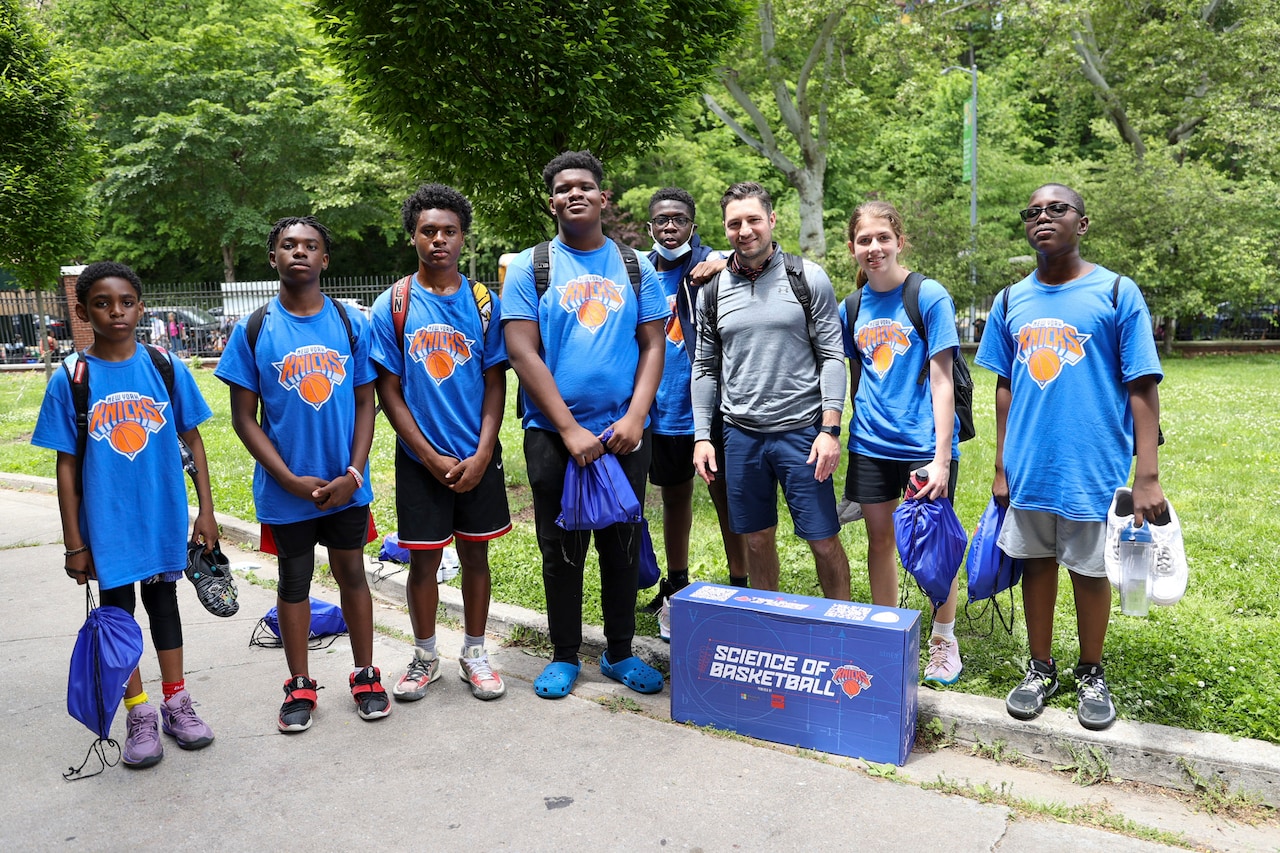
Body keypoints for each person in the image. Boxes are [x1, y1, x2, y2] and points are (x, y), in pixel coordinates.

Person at [975, 183, 1165, 731]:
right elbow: (1005, 387)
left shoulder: (1116, 292)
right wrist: (1001, 465)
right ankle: (1040, 668)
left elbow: (1142, 385)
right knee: (1036, 566)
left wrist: (1146, 476)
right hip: (1032, 465)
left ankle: (1090, 670)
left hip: (1093, 465)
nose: (1043, 218)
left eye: (1057, 209)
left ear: (1082, 223)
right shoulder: (1011, 300)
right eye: (1032, 211)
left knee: (1088, 570)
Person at [33, 261, 219, 768]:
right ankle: (138, 712)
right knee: (118, 619)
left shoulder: (163, 365)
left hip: (160, 518)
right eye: (102, 303)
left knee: (165, 607)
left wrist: (205, 510)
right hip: (108, 525)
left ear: (141, 306)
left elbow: (193, 439)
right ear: (82, 310)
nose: (116, 312)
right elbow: (66, 468)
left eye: (126, 302)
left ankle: (177, 702)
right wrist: (75, 543)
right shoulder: (72, 378)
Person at [503, 150, 667, 699]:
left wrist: (636, 417)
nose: (574, 193)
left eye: (584, 186)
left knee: (622, 543)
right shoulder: (532, 265)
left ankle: (619, 652)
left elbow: (652, 345)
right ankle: (565, 654)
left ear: (603, 198)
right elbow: (523, 351)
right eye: (562, 188)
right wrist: (569, 429)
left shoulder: (636, 266)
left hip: (623, 433)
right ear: (551, 201)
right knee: (561, 546)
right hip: (553, 436)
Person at [214, 216, 385, 733]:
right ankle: (300, 682)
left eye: (311, 246)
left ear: (325, 260)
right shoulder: (255, 328)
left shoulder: (350, 322)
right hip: (287, 490)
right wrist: (287, 479)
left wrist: (353, 473)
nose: (300, 252)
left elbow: (365, 402)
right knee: (294, 581)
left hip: (345, 485)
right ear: (273, 259)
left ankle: (365, 673)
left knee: (351, 573)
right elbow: (244, 416)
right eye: (288, 245)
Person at [371, 184, 511, 702]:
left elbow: (496, 381)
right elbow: (388, 389)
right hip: (419, 460)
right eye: (428, 231)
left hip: (477, 456)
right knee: (425, 562)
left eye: (449, 231)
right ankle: (425, 656)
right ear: (413, 237)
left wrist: (482, 453)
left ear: (462, 238)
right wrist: (428, 456)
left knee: (476, 558)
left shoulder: (484, 303)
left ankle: (475, 653)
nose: (439, 240)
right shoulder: (395, 304)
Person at [691, 182, 851, 599]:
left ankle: (841, 629)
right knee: (757, 541)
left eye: (753, 220)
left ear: (772, 220)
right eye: (734, 223)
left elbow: (833, 356)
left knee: (822, 539)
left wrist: (829, 430)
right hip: (740, 434)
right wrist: (702, 437)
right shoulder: (711, 290)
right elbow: (705, 366)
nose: (745, 231)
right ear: (725, 229)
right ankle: (768, 628)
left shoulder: (807, 277)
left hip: (803, 433)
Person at [839, 201, 964, 684]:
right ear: (853, 247)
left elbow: (941, 380)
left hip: (922, 448)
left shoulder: (927, 295)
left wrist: (941, 457)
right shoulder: (852, 306)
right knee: (881, 541)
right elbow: (857, 377)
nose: (874, 248)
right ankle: (890, 635)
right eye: (864, 240)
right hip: (869, 445)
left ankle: (943, 641)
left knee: (935, 546)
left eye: (882, 239)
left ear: (899, 241)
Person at [642, 187, 746, 638]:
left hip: (711, 408)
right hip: (661, 408)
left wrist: (725, 262)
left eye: (679, 220)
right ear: (651, 226)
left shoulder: (710, 264)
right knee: (674, 498)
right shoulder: (638, 271)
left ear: (692, 224)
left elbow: (754, 264)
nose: (670, 227)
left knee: (727, 500)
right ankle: (676, 587)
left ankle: (741, 587)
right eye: (662, 220)